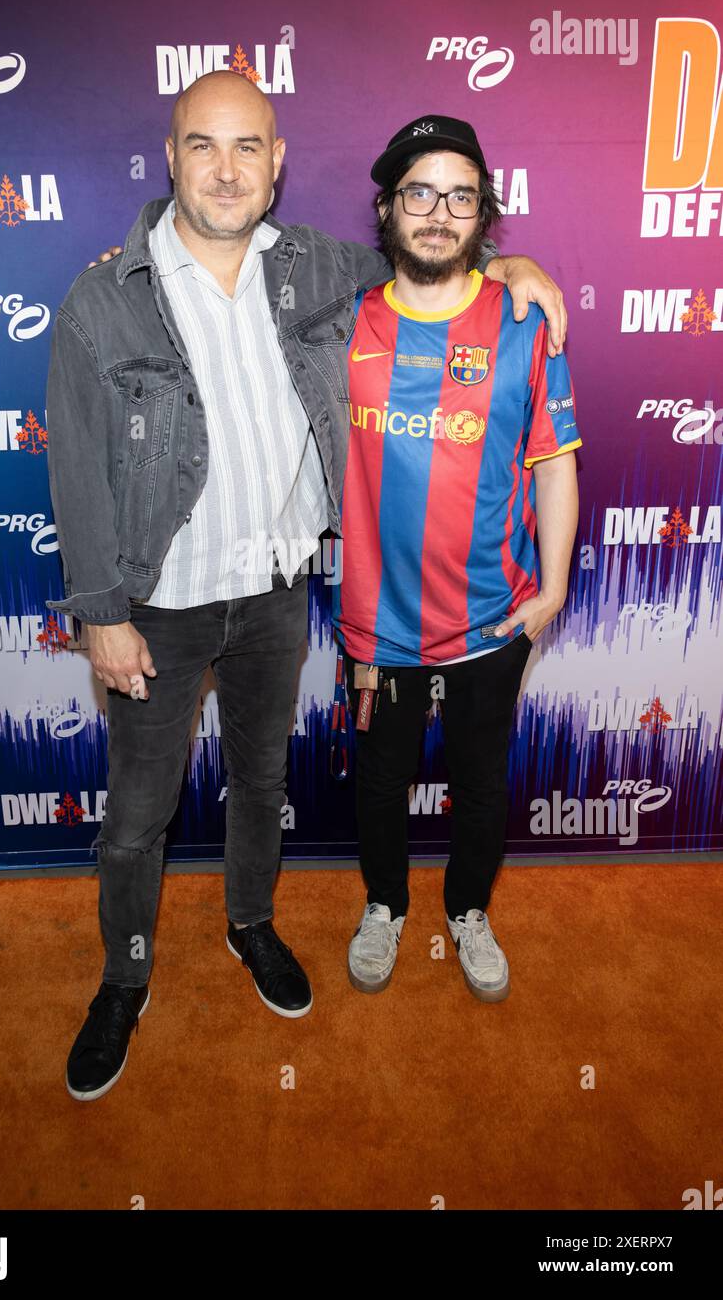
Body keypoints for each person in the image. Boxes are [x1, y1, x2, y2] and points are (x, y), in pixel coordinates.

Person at [47, 72, 567, 1100]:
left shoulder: (315, 271)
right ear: (171, 156)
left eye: (249, 147)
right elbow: (76, 462)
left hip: (279, 594)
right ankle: (125, 979)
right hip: (161, 603)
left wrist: (512, 258)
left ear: (279, 163)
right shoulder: (105, 298)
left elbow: (428, 251)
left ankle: (250, 925)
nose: (228, 170)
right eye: (205, 145)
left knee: (263, 785)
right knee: (136, 817)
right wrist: (102, 612)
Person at [333, 115, 581, 1003]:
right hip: (376, 626)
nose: (437, 213)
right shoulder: (341, 324)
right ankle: (384, 905)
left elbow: (553, 463)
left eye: (459, 196)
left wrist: (551, 589)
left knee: (481, 783)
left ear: (485, 215)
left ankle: (468, 908)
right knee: (380, 783)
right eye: (418, 193)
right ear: (387, 207)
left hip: (493, 618)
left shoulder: (522, 320)